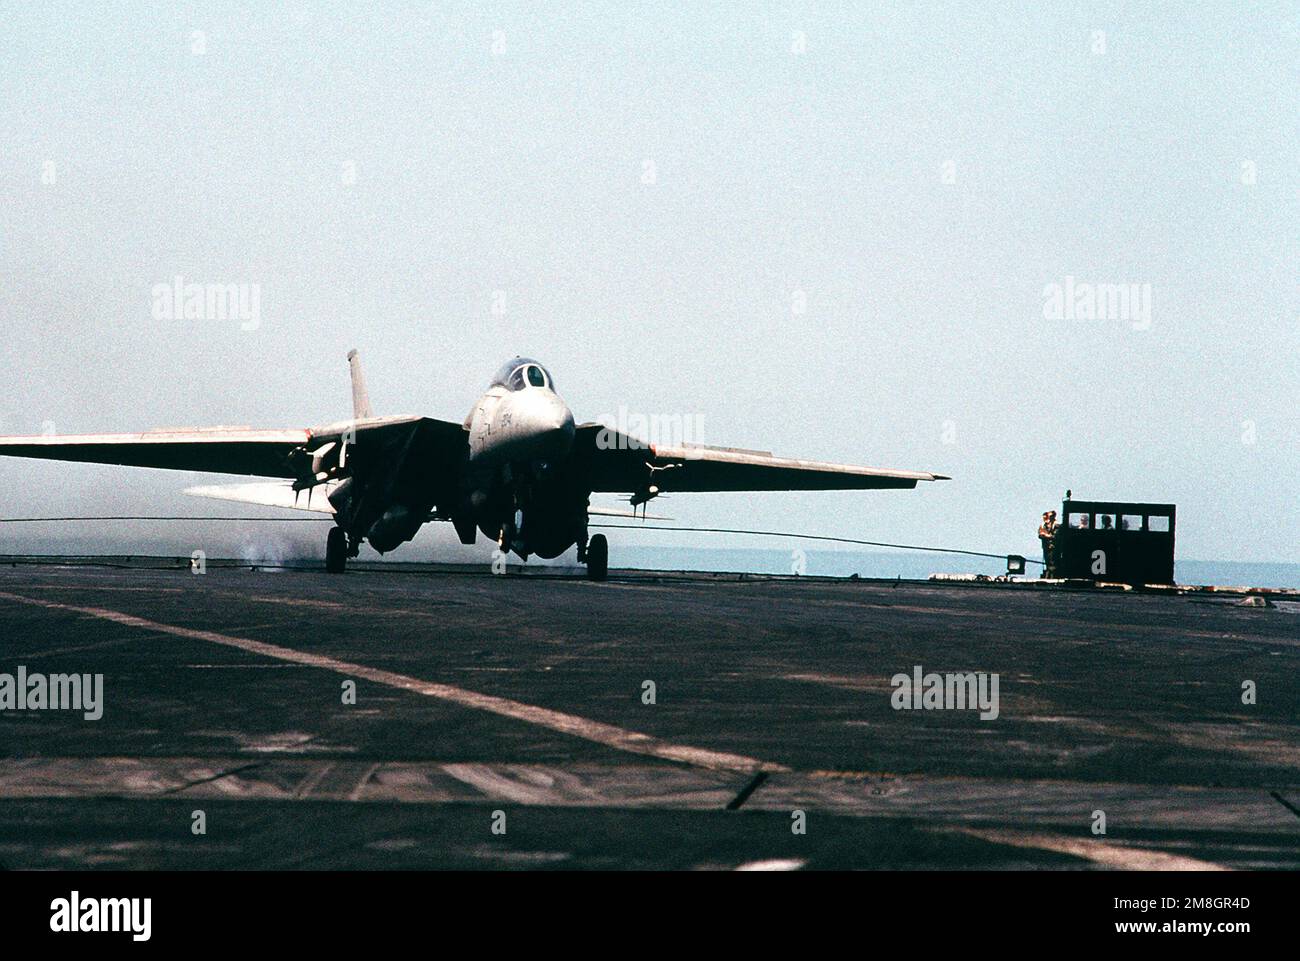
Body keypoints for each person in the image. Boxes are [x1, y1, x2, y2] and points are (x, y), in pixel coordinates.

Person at [1037, 510, 1058, 577]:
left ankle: (1052, 576)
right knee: (1047, 562)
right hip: (1046, 546)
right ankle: (1048, 574)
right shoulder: (1044, 525)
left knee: (1052, 563)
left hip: (1053, 547)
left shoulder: (1056, 525)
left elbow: (1056, 536)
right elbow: (1040, 534)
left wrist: (1046, 535)